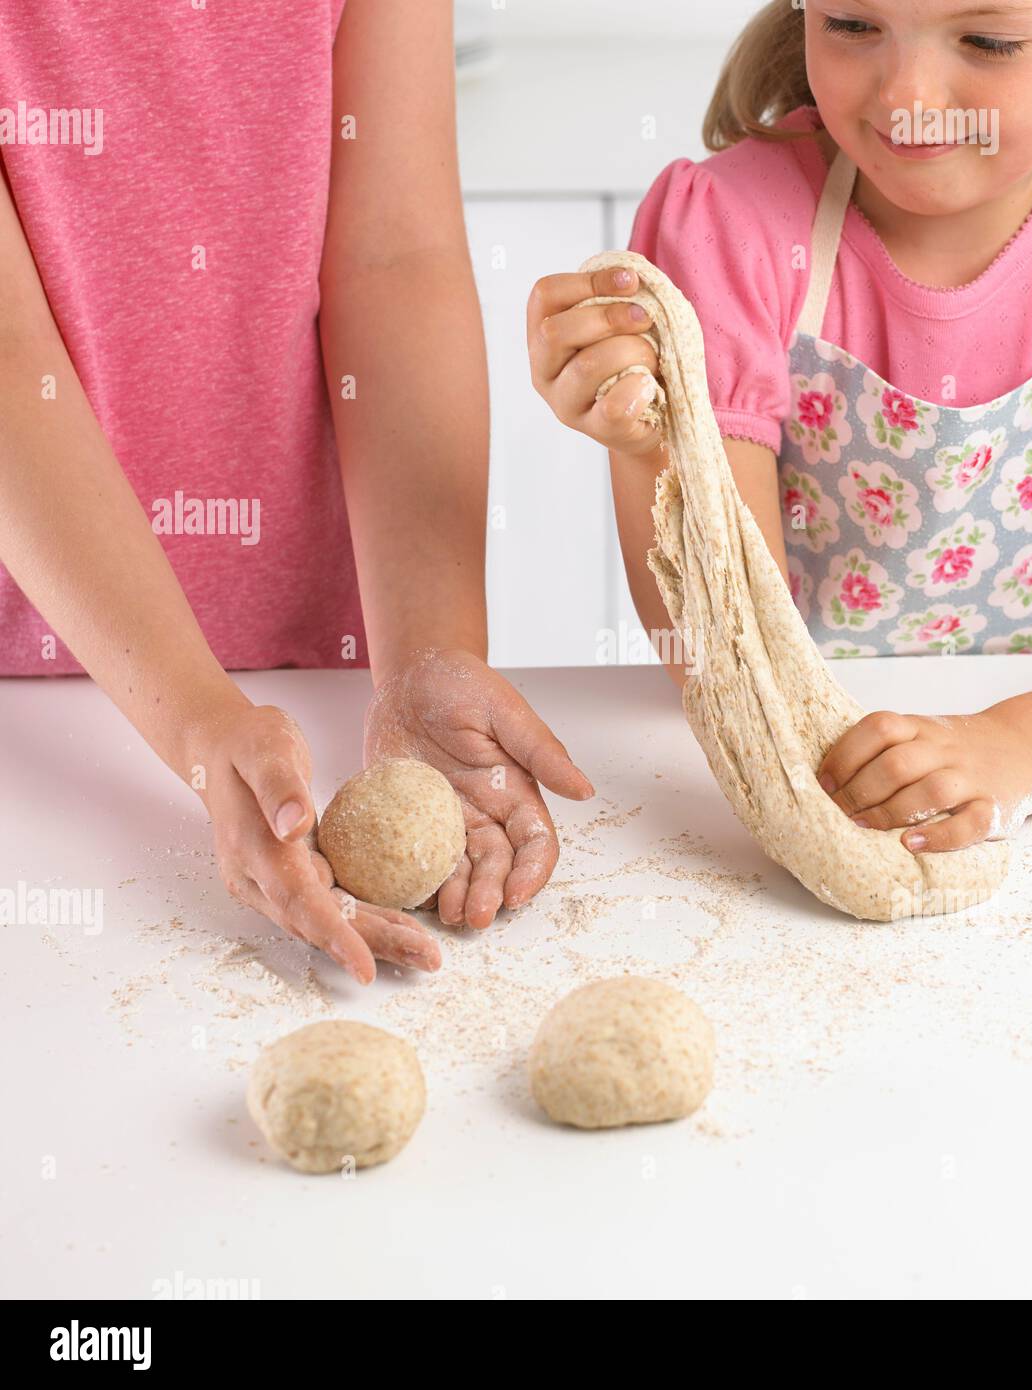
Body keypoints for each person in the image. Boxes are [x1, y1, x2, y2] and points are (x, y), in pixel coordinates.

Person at [527, 0, 1032, 854]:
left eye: (987, 41)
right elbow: (723, 649)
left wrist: (1019, 749)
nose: (913, 98)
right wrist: (650, 448)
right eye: (853, 26)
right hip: (803, 760)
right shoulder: (731, 223)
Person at [0, 0, 593, 984]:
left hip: (309, 649)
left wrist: (429, 655)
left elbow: (394, 257)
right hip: (34, 673)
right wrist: (193, 720)